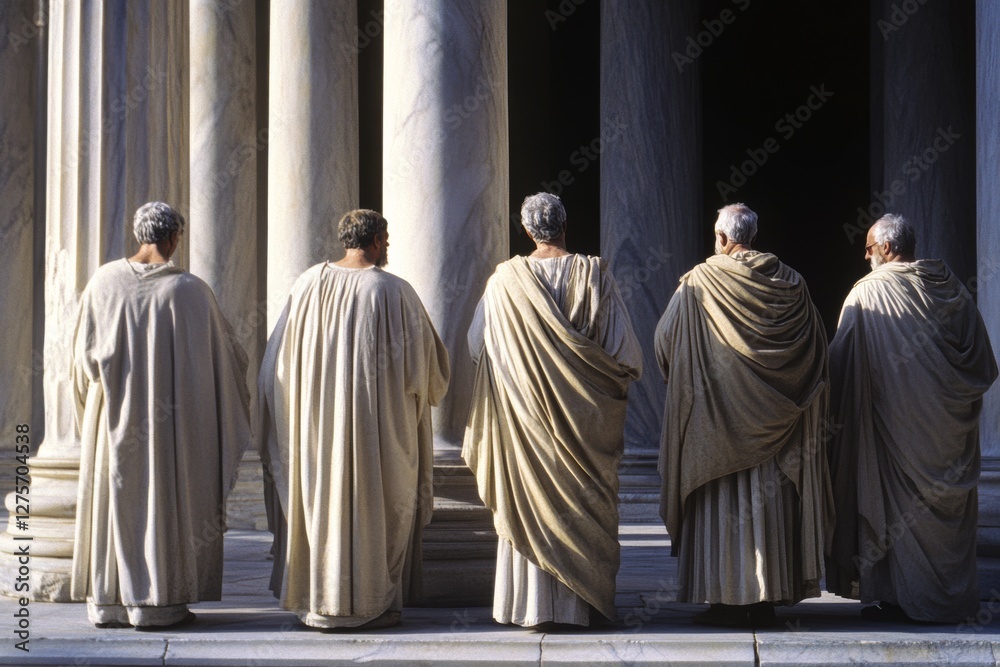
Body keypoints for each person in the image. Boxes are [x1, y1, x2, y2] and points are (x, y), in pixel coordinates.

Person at [259, 209, 449, 631]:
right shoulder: (394, 291)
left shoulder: (307, 284)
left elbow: (274, 368)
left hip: (318, 435)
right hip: (375, 434)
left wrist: (305, 409)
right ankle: (370, 603)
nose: (388, 245)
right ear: (378, 240)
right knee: (380, 509)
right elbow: (431, 375)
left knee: (321, 505)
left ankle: (319, 599)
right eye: (387, 238)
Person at [463, 192, 642, 628]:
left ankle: (531, 608)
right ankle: (583, 606)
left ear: (527, 231)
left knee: (527, 502)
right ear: (565, 224)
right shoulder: (593, 274)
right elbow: (626, 354)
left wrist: (523, 372)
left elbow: (475, 346)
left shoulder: (505, 281)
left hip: (525, 425)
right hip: (585, 427)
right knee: (582, 506)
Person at [71, 201, 251, 629]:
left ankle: (110, 601)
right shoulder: (190, 292)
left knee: (116, 500)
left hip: (111, 419)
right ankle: (160, 600)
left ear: (140, 235)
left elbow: (79, 361)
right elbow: (228, 361)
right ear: (172, 238)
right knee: (165, 500)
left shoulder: (102, 283)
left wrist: (91, 415)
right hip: (170, 428)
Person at [654, 203, 832, 628]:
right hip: (778, 435)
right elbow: (817, 355)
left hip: (713, 430)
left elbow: (664, 344)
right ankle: (766, 596)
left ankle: (720, 596)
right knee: (765, 510)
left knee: (722, 509)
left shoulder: (698, 284)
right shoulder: (793, 284)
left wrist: (696, 380)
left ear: (721, 238)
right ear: (753, 235)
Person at [826, 214, 998, 623]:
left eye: (868, 248)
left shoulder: (868, 293)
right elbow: (983, 365)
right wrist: (946, 396)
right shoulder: (953, 290)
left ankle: (894, 598)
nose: (865, 255)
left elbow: (839, 364)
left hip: (896, 431)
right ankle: (945, 599)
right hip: (948, 437)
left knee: (893, 510)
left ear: (886, 248)